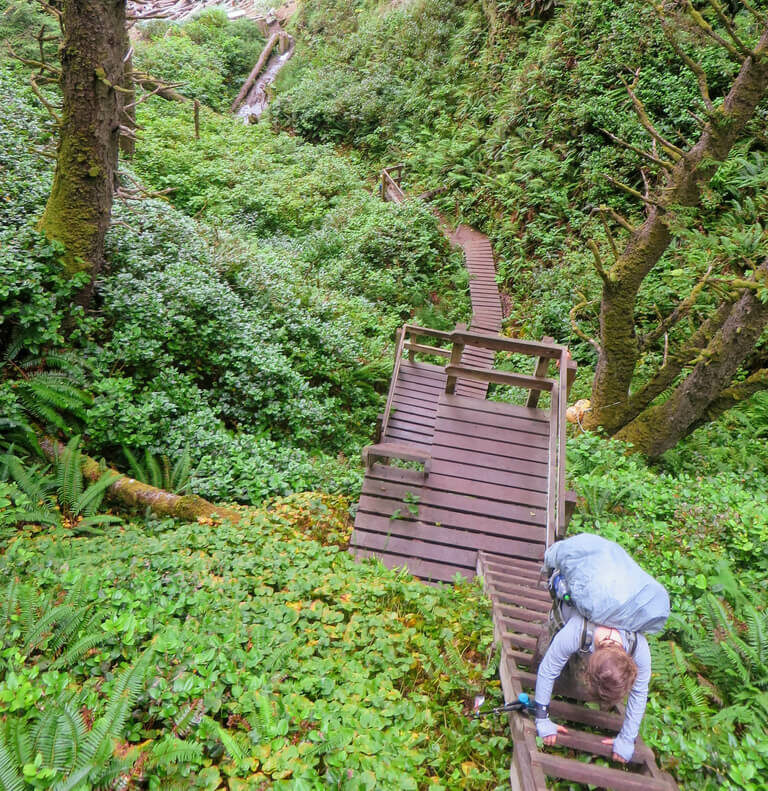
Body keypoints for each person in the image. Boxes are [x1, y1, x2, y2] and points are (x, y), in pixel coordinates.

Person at [533, 597, 651, 763]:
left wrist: (627, 739)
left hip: (589, 640)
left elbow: (640, 691)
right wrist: (542, 718)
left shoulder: (638, 647)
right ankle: (547, 642)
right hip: (566, 624)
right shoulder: (577, 630)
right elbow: (548, 669)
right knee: (558, 668)